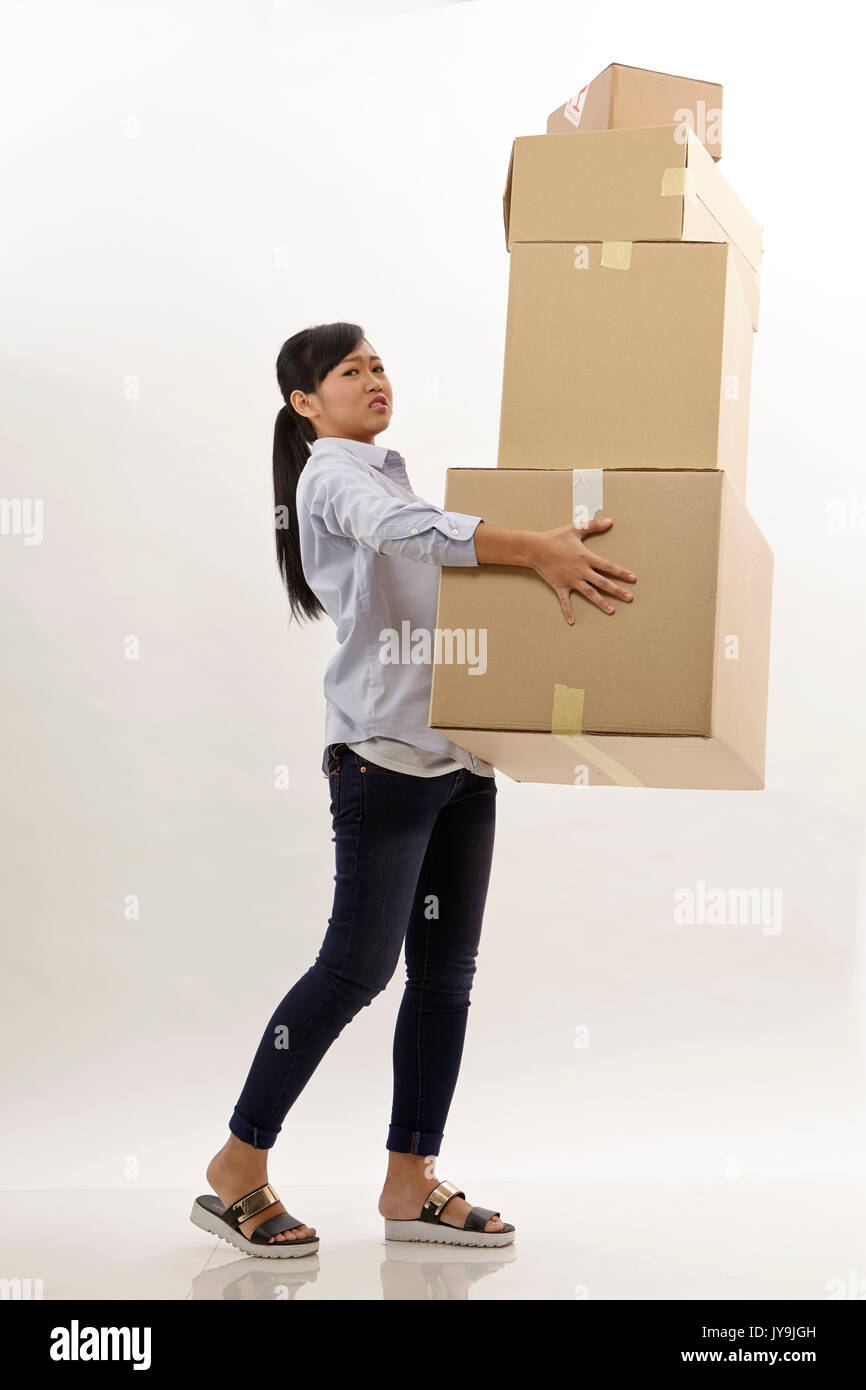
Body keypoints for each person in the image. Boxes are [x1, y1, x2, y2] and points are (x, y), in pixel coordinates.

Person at [190, 322, 637, 1257]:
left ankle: (410, 1181)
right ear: (304, 404)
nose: (373, 378)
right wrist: (532, 548)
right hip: (384, 760)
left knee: (445, 979)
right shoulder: (333, 477)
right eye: (349, 370)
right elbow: (410, 538)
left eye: (379, 364)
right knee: (355, 969)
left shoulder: (391, 472)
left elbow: (440, 575)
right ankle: (238, 1164)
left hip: (460, 759)